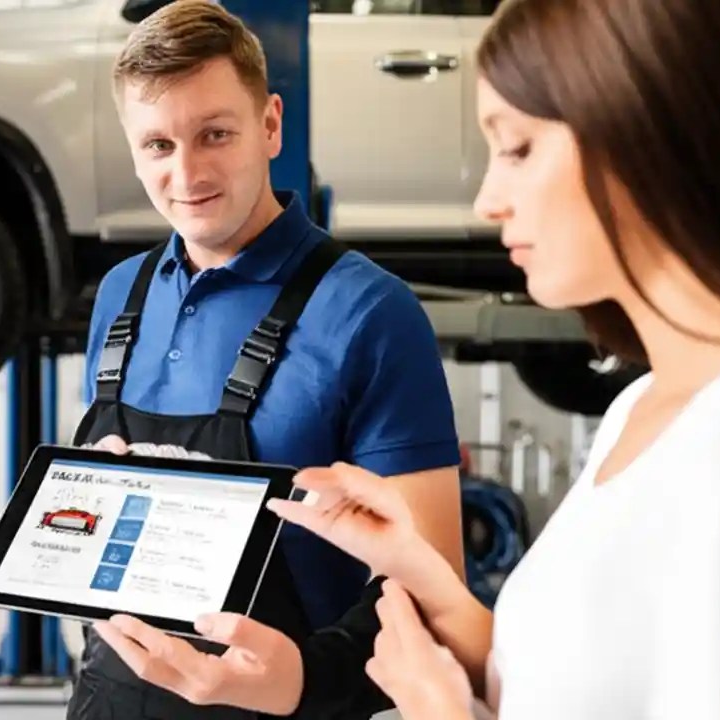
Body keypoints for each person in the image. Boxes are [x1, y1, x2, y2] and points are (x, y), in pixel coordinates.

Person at [91, 0, 720, 717]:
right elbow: (546, 678)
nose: (489, 197)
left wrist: (349, 687)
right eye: (157, 145)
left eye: (519, 148)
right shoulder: (638, 410)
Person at [67, 2, 467, 719]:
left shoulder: (370, 314)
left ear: (271, 125)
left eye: (214, 134)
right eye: (158, 145)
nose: (186, 172)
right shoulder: (119, 296)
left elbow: (435, 589)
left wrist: (302, 681)